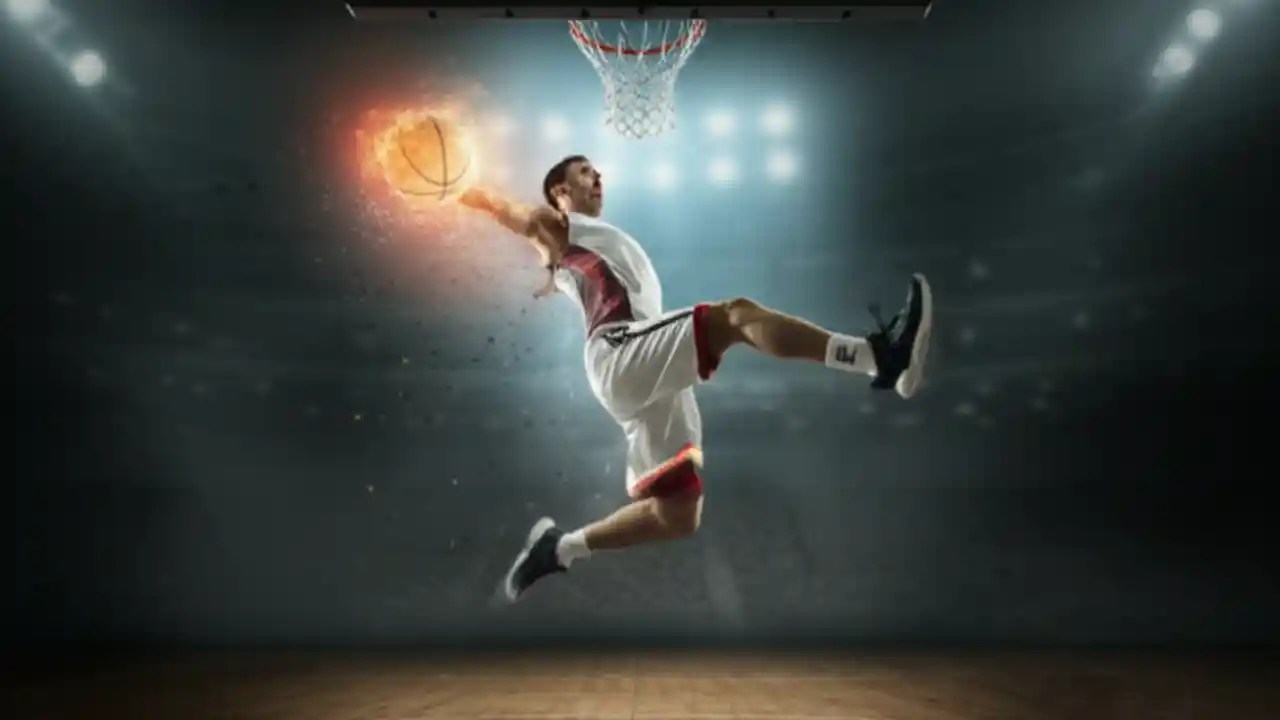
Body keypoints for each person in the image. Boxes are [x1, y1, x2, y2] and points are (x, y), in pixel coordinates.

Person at [458, 155, 932, 602]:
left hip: (639, 366)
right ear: (560, 189)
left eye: (598, 171)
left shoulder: (594, 237)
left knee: (678, 514)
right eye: (585, 172)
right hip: (621, 349)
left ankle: (560, 550)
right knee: (735, 315)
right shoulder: (559, 227)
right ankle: (878, 357)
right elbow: (515, 214)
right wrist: (464, 188)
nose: (598, 177)